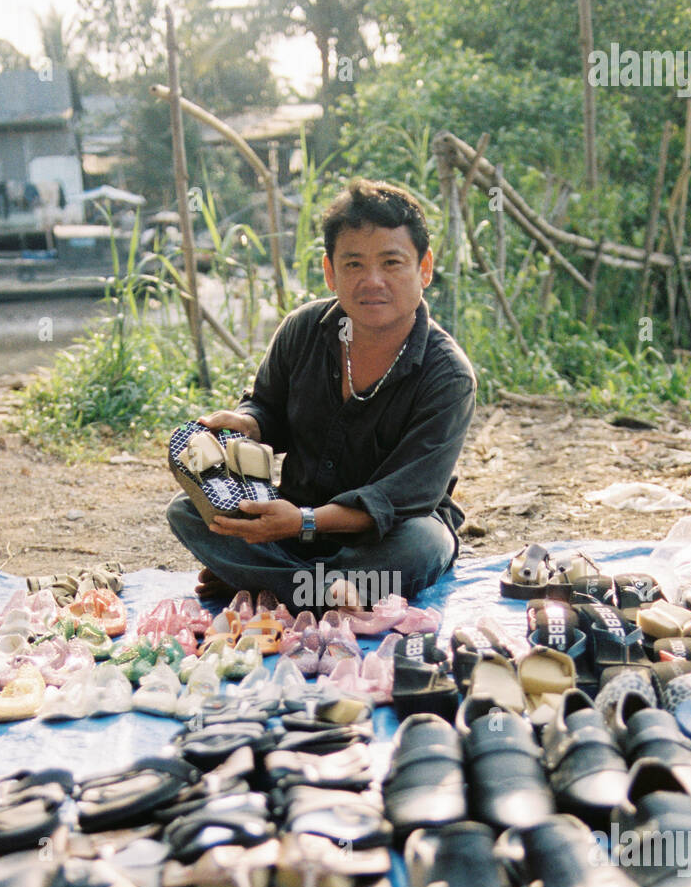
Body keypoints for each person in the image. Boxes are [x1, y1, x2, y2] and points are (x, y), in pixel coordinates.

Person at [167, 177, 477, 612]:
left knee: (423, 543)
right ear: (330, 272)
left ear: (423, 269)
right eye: (353, 265)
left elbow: (404, 498)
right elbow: (266, 408)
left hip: (381, 537)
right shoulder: (303, 329)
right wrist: (248, 424)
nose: (373, 281)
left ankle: (271, 586)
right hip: (293, 517)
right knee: (187, 511)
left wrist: (303, 524)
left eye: (392, 263)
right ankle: (325, 592)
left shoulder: (447, 375)